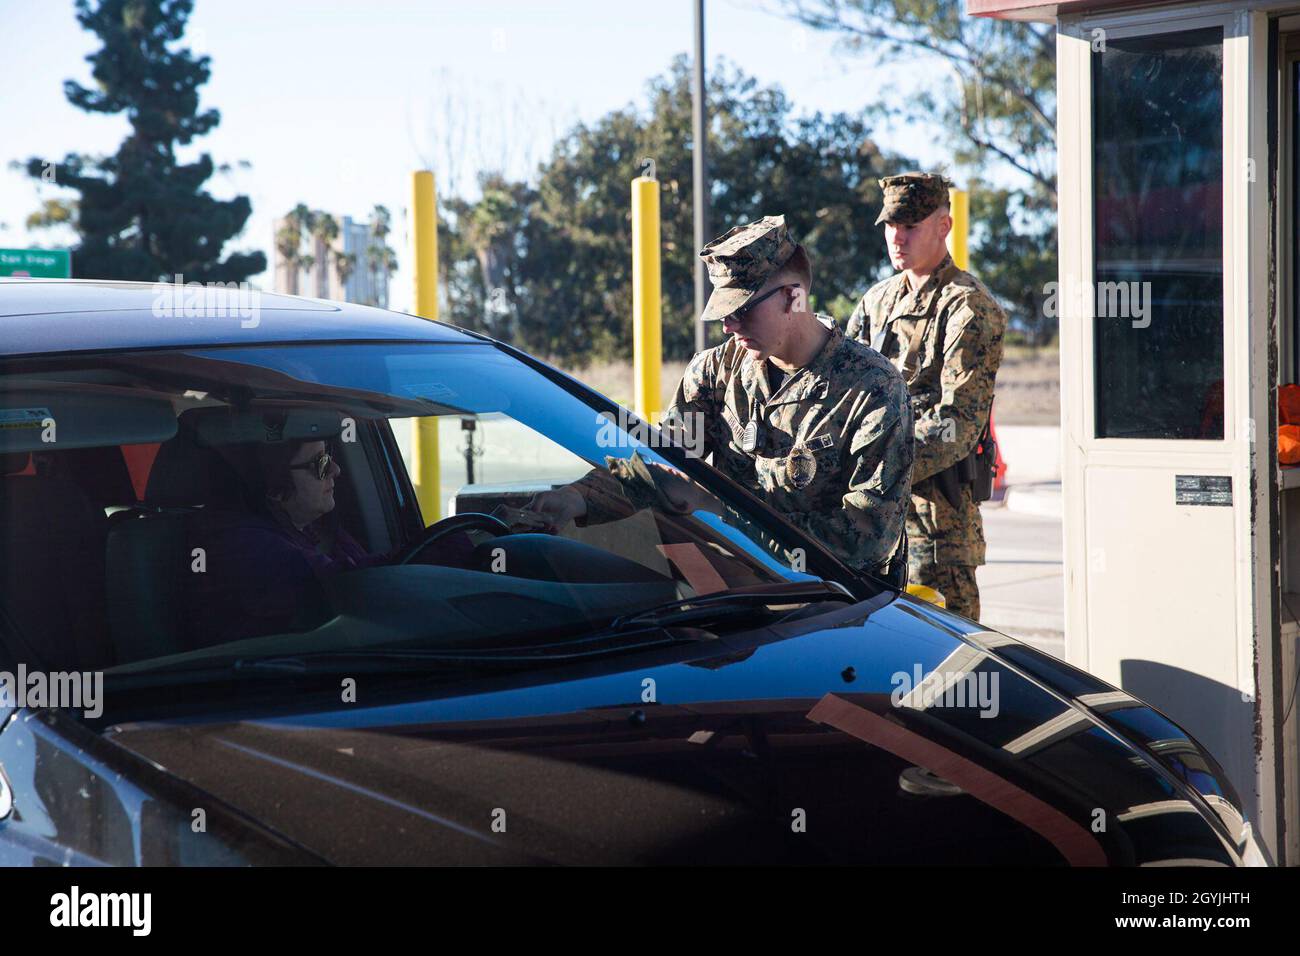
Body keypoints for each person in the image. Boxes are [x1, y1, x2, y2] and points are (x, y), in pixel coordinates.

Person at [530, 215, 914, 584]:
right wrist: (579, 497)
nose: (729, 326)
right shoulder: (716, 372)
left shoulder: (873, 389)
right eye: (724, 313)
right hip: (730, 589)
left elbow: (866, 540)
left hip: (835, 604)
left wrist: (716, 508)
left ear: (793, 297)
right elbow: (662, 464)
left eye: (742, 310)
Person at [845, 172, 1007, 619]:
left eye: (911, 226)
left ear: (943, 226)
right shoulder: (876, 303)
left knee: (947, 670)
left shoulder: (969, 307)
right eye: (890, 226)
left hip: (935, 532)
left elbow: (957, 423)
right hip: (871, 527)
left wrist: (875, 466)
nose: (897, 237)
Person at [187, 438, 383, 647]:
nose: (335, 469)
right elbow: (349, 586)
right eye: (320, 463)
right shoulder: (238, 544)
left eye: (329, 455)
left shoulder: (316, 527)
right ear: (274, 485)